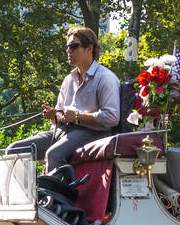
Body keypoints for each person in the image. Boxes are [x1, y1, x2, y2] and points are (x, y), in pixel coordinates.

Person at [7, 27, 120, 171]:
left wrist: (78, 117)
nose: (68, 51)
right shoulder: (69, 80)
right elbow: (60, 116)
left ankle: (56, 193)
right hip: (63, 131)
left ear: (89, 49)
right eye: (67, 47)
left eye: (73, 46)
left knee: (53, 155)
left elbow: (112, 117)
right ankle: (27, 193)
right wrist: (54, 116)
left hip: (93, 133)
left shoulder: (105, 78)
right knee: (14, 150)